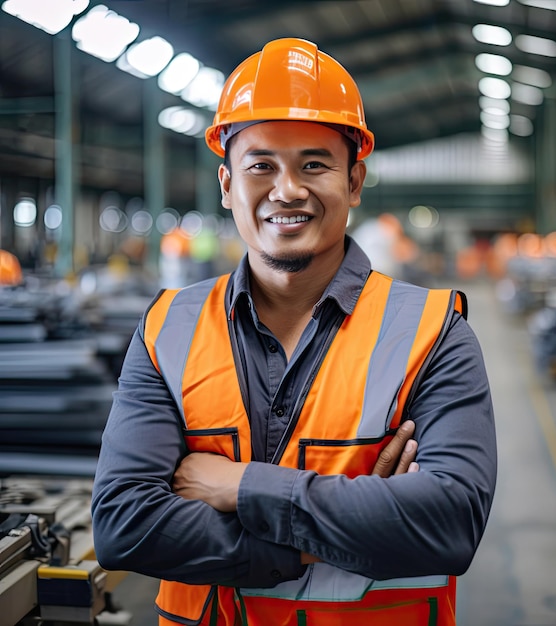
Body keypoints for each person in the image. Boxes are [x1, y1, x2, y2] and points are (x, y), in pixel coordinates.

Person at [91, 37, 497, 626]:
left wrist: (241, 487)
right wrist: (334, 532)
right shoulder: (167, 328)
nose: (287, 190)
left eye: (314, 164)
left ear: (354, 182)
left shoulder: (434, 335)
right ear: (228, 184)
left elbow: (451, 523)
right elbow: (124, 526)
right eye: (261, 165)